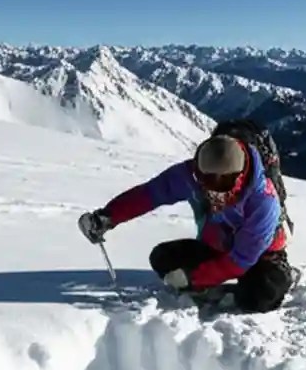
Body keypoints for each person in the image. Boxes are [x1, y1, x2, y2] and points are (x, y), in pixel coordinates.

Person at [77, 134, 295, 313]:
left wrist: (193, 278)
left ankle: (282, 273)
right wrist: (108, 216)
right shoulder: (191, 176)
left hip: (262, 255)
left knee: (261, 296)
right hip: (218, 247)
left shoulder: (264, 202)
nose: (214, 188)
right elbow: (149, 195)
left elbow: (242, 259)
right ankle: (218, 287)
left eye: (224, 181)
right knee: (162, 258)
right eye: (208, 179)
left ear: (240, 176)